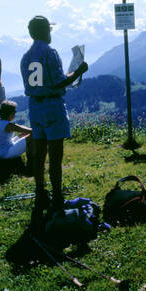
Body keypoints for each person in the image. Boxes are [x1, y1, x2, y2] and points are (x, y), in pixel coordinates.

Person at [20, 15, 87, 218]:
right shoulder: (50, 53)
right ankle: (57, 196)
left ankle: (40, 192)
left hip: (35, 107)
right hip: (52, 105)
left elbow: (34, 84)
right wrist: (77, 72)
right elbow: (58, 82)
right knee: (55, 157)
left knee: (39, 154)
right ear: (45, 32)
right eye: (49, 30)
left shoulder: (25, 57)